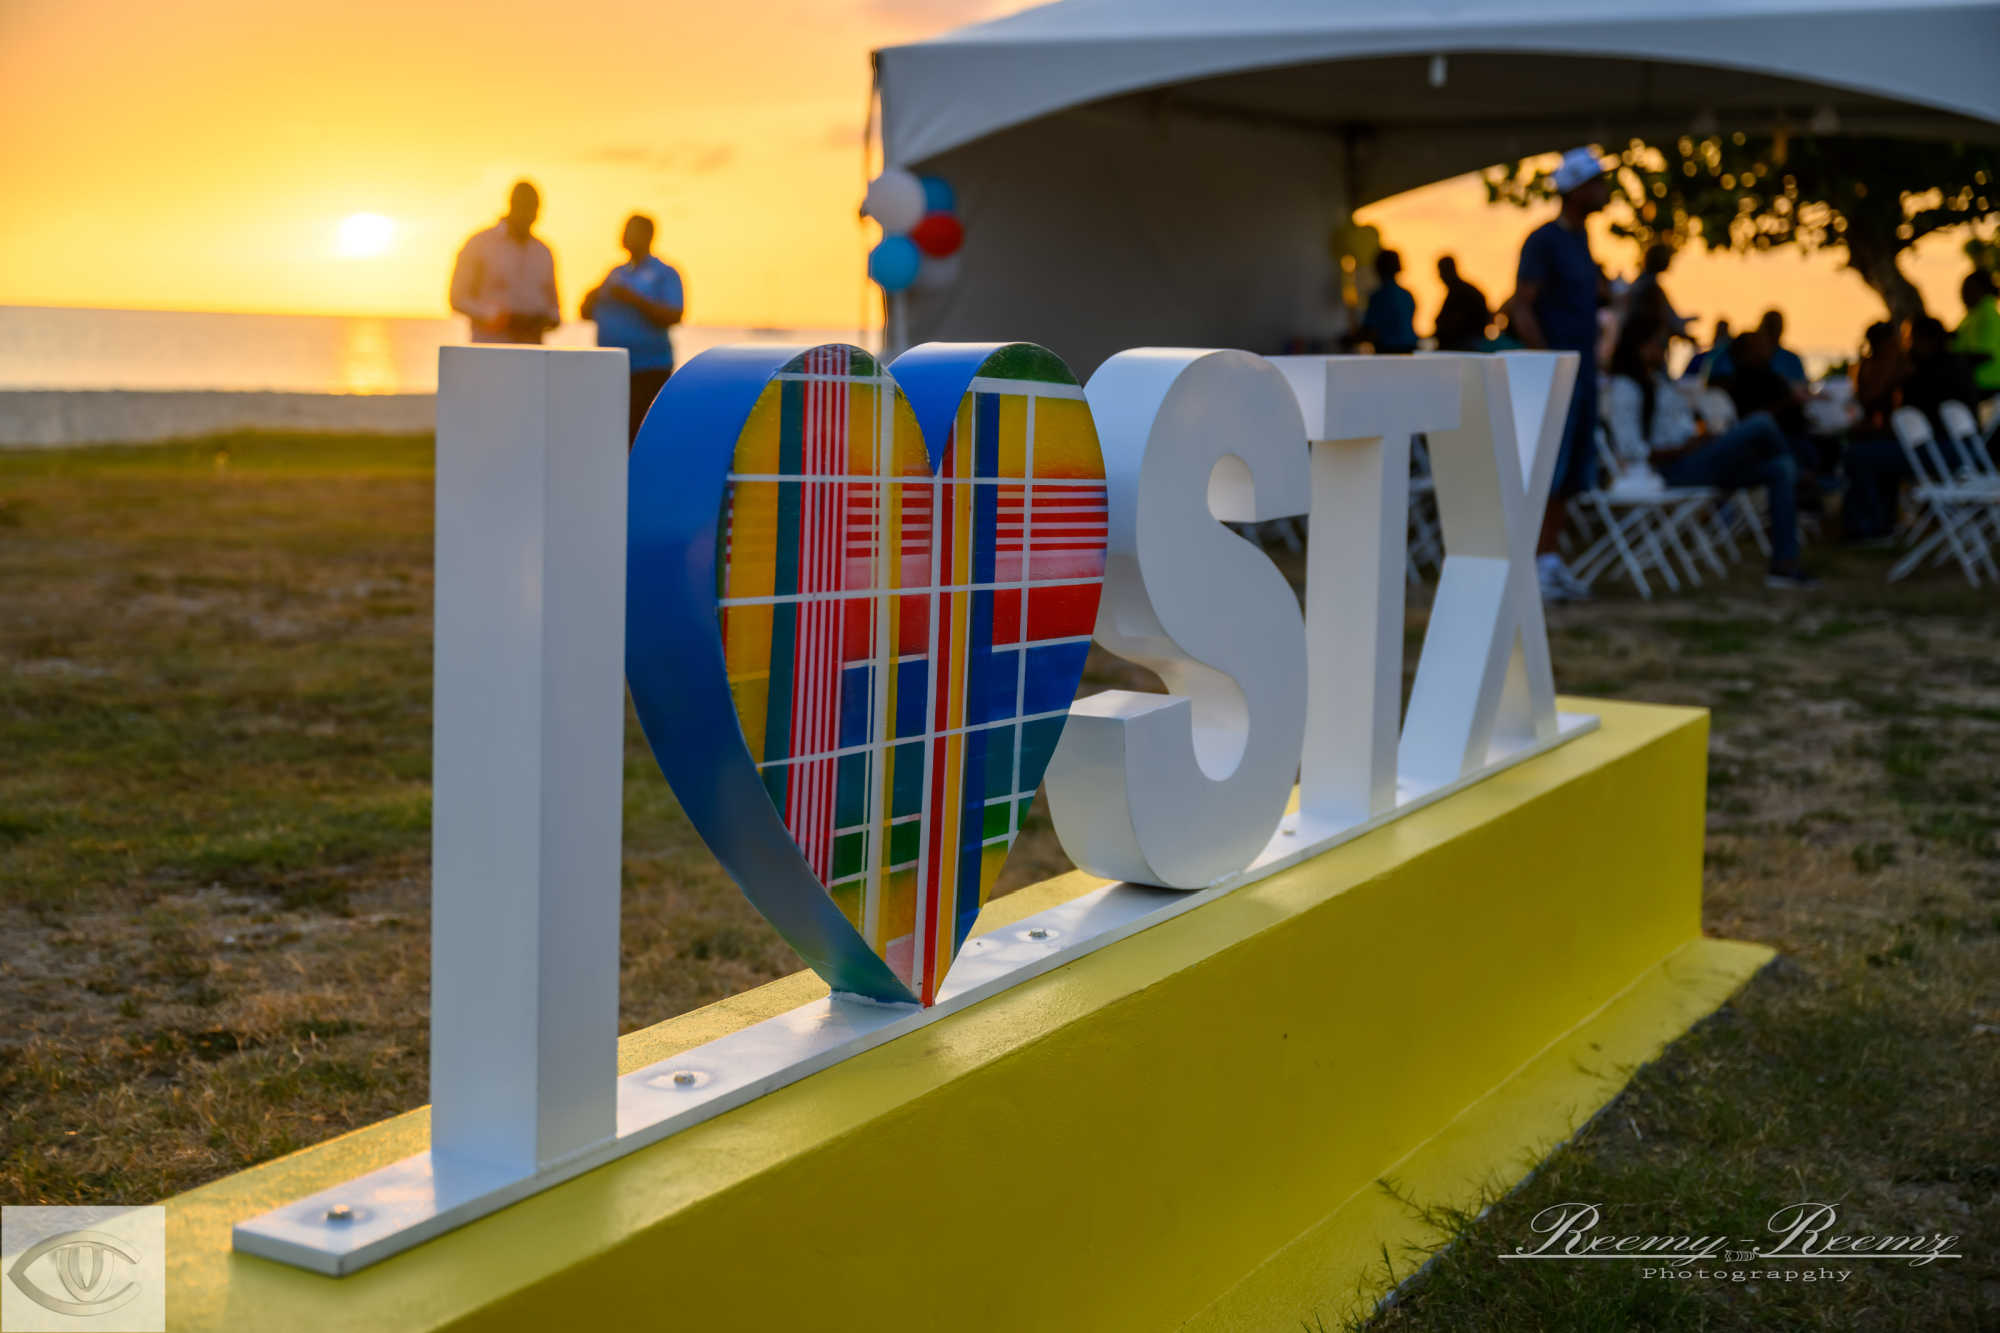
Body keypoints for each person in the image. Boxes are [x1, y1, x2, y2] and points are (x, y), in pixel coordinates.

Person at [1606, 314, 1816, 588]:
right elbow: (1631, 449)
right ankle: (1805, 477)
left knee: (1780, 469)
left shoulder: (1658, 381)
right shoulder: (1626, 387)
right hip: (1674, 470)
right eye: (1658, 342)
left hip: (1697, 458)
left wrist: (1700, 437)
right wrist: (1684, 448)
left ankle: (1783, 566)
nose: (1663, 348)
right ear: (1640, 346)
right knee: (1761, 424)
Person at [1504, 146, 1610, 603]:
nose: (1605, 191)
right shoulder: (1545, 240)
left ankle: (1547, 561)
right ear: (1576, 190)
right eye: (1597, 183)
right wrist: (1546, 363)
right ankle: (1530, 563)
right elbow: (1520, 304)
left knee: (1571, 472)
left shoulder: (1580, 241)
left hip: (1581, 373)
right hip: (1558, 375)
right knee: (1550, 465)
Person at [1840, 317, 1974, 542]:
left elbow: (1906, 421)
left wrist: (1893, 378)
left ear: (1925, 340)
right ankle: (1882, 522)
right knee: (1875, 453)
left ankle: (1868, 528)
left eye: (1909, 339)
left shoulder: (1923, 372)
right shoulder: (1952, 364)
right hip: (1964, 450)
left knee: (1859, 455)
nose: (1906, 345)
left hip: (1943, 451)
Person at [582, 213, 686, 443]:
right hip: (613, 369)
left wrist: (633, 299)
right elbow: (585, 311)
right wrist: (592, 296)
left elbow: (674, 314)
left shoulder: (664, 273)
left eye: (631, 230)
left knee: (643, 435)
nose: (624, 236)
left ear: (647, 235)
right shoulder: (615, 273)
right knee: (615, 436)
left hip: (649, 370)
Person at [449, 181, 560, 344]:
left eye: (533, 207)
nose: (528, 213)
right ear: (512, 204)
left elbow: (555, 310)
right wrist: (495, 317)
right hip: (490, 349)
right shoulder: (480, 244)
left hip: (532, 353)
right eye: (523, 205)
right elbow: (457, 297)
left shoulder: (543, 252)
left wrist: (542, 321)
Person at [1623, 243, 1693, 341]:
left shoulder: (1641, 283)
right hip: (1646, 344)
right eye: (1668, 256)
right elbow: (1665, 319)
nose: (1670, 261)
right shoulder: (1651, 288)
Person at [1360, 250, 1419, 353]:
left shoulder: (1378, 297)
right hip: (1409, 349)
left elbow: (1370, 330)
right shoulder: (1407, 295)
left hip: (1388, 352)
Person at [1952, 269, 2000, 395]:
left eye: (1967, 289)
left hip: (1988, 387)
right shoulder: (1973, 315)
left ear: (1980, 289)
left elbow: (1985, 353)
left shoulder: (1987, 314)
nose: (1962, 294)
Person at [1432, 256, 1490, 352]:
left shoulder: (1460, 292)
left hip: (1463, 345)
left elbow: (1453, 323)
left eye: (1441, 271)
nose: (1440, 276)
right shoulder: (1461, 291)